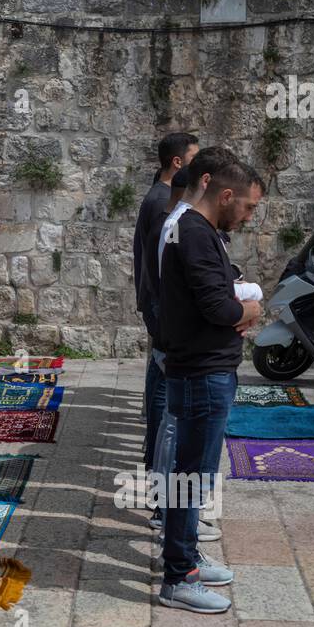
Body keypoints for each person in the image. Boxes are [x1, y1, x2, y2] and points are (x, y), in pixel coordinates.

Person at [157, 155, 265, 614]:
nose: (248, 217)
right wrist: (250, 313)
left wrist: (233, 308)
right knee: (190, 476)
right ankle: (178, 577)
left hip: (204, 368)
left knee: (194, 475)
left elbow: (218, 296)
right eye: (247, 208)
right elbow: (218, 308)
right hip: (201, 372)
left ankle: (188, 559)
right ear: (225, 195)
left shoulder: (197, 230)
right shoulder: (196, 233)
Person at [135, 133, 200, 491]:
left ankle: (154, 456)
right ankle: (159, 467)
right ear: (178, 163)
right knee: (163, 387)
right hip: (161, 304)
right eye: (195, 158)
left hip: (156, 301)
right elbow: (160, 260)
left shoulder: (159, 197)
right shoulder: (162, 201)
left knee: (158, 378)